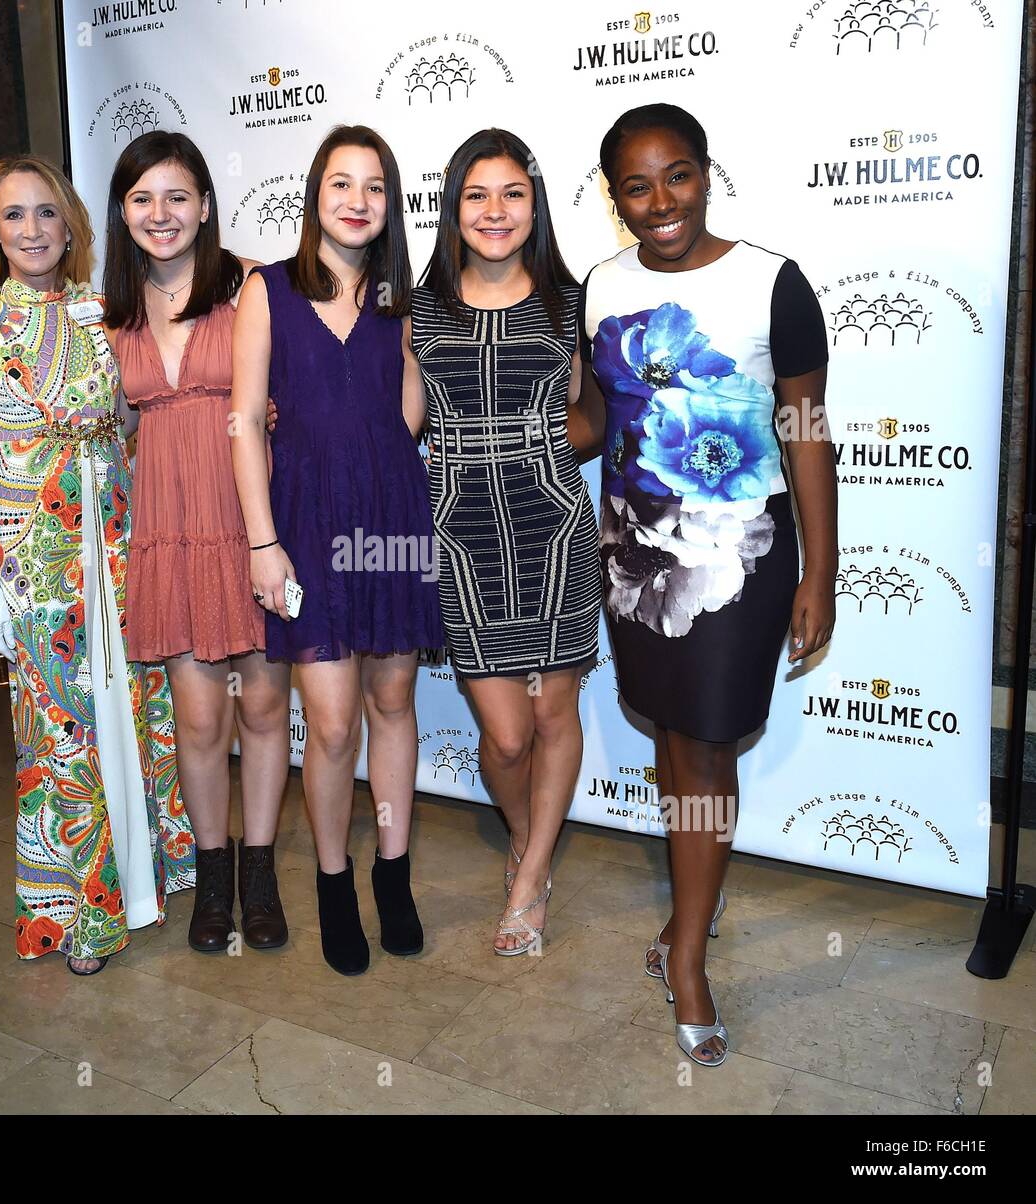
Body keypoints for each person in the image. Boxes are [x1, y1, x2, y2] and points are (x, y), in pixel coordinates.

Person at [573, 104, 836, 1064]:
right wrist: (494, 428)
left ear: (706, 172)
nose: (661, 202)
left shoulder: (773, 282)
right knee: (672, 731)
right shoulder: (600, 286)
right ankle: (694, 911)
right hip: (637, 552)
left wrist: (823, 569)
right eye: (636, 186)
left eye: (676, 175)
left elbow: (806, 432)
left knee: (709, 742)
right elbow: (597, 420)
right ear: (614, 200)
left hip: (742, 557)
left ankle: (687, 950)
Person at [0, 154, 194, 976]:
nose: (32, 230)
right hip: (37, 558)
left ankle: (149, 881)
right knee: (60, 730)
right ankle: (81, 914)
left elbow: (133, 423)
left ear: (71, 224)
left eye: (46, 213)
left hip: (121, 541)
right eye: (14, 216)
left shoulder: (102, 312)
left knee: (135, 704)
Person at [230, 125, 444, 976]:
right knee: (328, 722)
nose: (357, 201)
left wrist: (371, 453)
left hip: (389, 516)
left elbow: (411, 411)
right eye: (341, 184)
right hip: (307, 523)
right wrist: (263, 541)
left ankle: (393, 875)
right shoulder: (268, 289)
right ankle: (331, 880)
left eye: (375, 187)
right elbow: (245, 420)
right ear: (314, 195)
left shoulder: (405, 300)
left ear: (391, 205)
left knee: (393, 704)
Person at [407, 129, 602, 956]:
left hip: (554, 523)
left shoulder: (572, 302)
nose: (496, 212)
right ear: (453, 207)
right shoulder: (416, 310)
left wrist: (543, 442)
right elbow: (398, 424)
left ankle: (529, 878)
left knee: (554, 713)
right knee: (508, 735)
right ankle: (528, 836)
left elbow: (595, 415)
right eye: (476, 195)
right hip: (458, 531)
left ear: (536, 203)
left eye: (513, 193)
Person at [103, 132, 291, 954]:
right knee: (199, 723)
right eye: (143, 199)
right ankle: (211, 878)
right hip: (170, 537)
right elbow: (106, 430)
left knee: (265, 710)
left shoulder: (250, 287)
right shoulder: (106, 312)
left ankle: (261, 873)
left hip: (251, 529)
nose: (161, 214)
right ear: (123, 213)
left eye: (177, 196)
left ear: (206, 205)